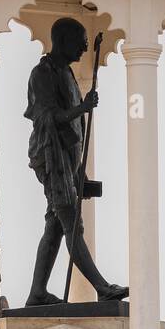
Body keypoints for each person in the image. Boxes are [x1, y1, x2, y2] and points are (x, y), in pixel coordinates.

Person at [23, 18, 128, 306]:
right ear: (63, 40)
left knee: (55, 226)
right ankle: (102, 287)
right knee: (72, 224)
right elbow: (47, 117)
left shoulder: (67, 74)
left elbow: (74, 131)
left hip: (67, 161)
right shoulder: (42, 73)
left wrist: (80, 168)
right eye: (81, 40)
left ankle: (38, 292)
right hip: (51, 158)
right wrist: (82, 107)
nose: (85, 47)